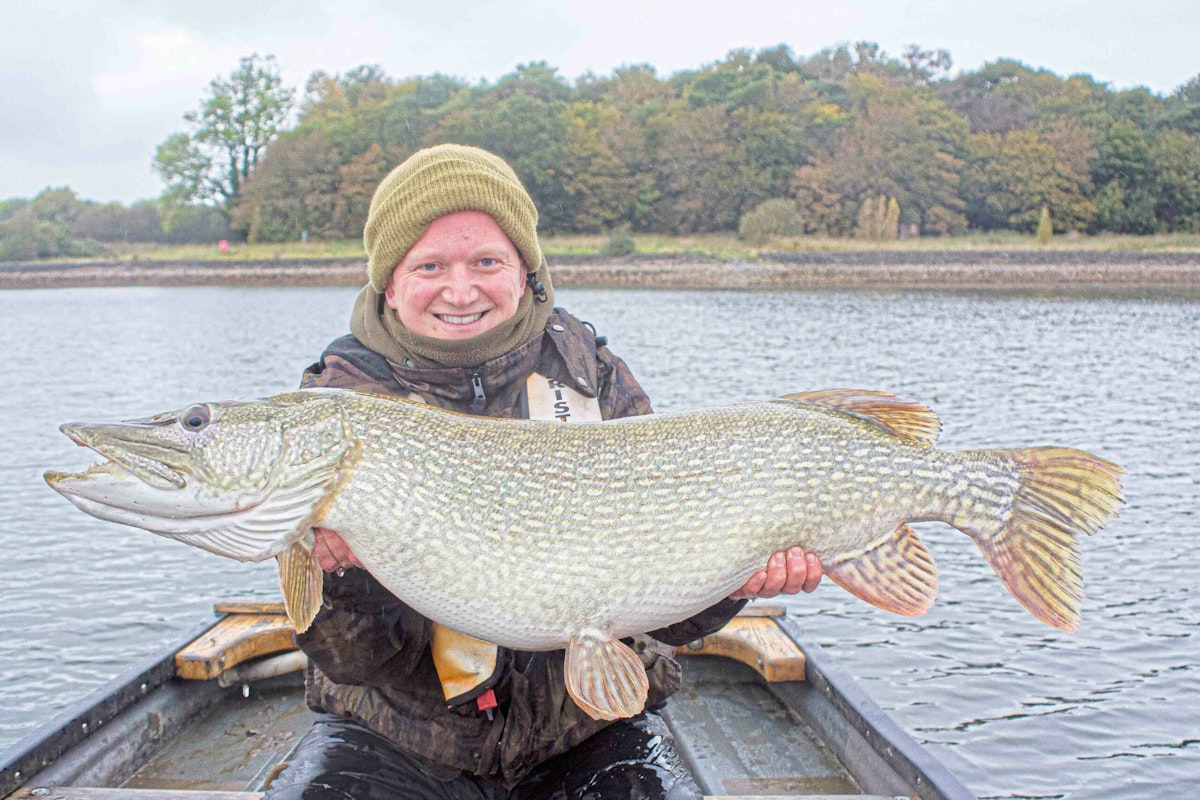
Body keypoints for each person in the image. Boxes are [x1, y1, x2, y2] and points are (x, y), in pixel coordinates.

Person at [265, 144, 823, 800]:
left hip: (584, 732)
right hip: (397, 739)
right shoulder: (334, 409)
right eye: (430, 265)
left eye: (486, 262)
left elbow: (668, 620)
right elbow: (353, 662)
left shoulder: (593, 376)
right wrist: (347, 580)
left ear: (526, 270)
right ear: (389, 280)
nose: (460, 288)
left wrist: (735, 579)